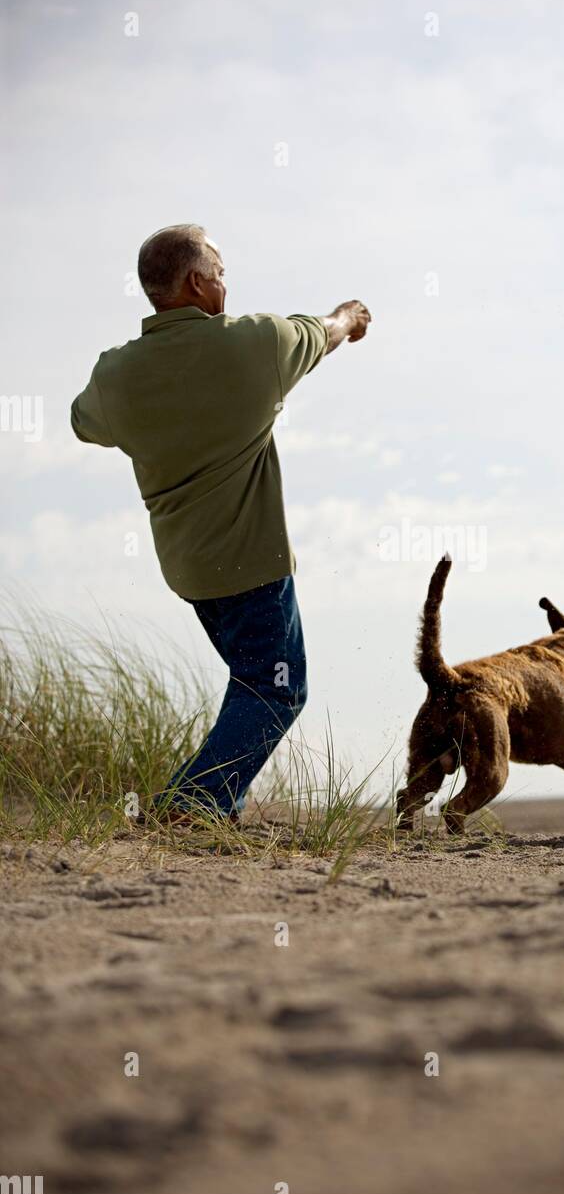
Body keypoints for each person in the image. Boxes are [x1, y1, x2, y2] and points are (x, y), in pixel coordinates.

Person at [71, 223, 371, 822]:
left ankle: (208, 803)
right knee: (276, 686)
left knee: (252, 677)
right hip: (250, 562)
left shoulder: (115, 373)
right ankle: (194, 803)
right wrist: (350, 316)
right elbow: (327, 332)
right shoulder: (253, 343)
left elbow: (84, 424)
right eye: (221, 271)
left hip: (188, 568)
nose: (227, 283)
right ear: (195, 281)